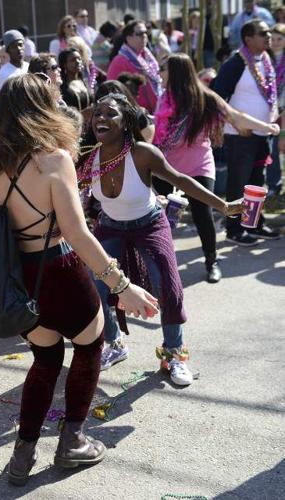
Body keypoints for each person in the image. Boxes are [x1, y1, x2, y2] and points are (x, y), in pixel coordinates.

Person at [0, 74, 159, 486]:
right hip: (60, 270)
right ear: (41, 110)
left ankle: (23, 454)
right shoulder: (54, 160)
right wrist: (123, 287)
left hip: (18, 281)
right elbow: (78, 234)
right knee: (90, 345)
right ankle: (71, 440)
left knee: (46, 358)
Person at [78, 93, 244, 382]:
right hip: (110, 227)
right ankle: (114, 344)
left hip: (149, 225)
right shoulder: (88, 157)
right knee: (96, 286)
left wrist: (224, 205)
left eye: (110, 114)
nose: (101, 118)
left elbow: (181, 180)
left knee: (168, 285)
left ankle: (173, 354)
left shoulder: (143, 153)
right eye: (97, 114)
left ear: (126, 121)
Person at [153, 53, 279, 282]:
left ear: (176, 72)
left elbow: (235, 118)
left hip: (198, 166)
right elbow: (156, 132)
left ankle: (212, 262)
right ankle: (161, 264)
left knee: (202, 215)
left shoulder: (205, 99)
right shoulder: (164, 97)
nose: (159, 72)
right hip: (166, 167)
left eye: (163, 69)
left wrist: (267, 127)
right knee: (159, 218)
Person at [213, 20, 281, 244]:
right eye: (263, 33)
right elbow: (216, 98)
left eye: (269, 32)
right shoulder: (235, 63)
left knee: (256, 184)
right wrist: (236, 123)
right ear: (248, 39)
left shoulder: (266, 60)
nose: (268, 36)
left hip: (263, 135)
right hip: (240, 136)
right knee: (238, 183)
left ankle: (253, 224)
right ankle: (233, 230)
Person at [108, 20, 162, 113]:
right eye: (140, 33)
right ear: (128, 38)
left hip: (155, 112)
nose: (144, 36)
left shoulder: (148, 56)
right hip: (135, 115)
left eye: (146, 32)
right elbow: (111, 91)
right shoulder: (119, 61)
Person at [0, 30, 28, 103]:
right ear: (8, 51)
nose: (18, 48)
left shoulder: (29, 67)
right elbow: (5, 101)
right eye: (14, 46)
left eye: (20, 45)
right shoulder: (3, 73)